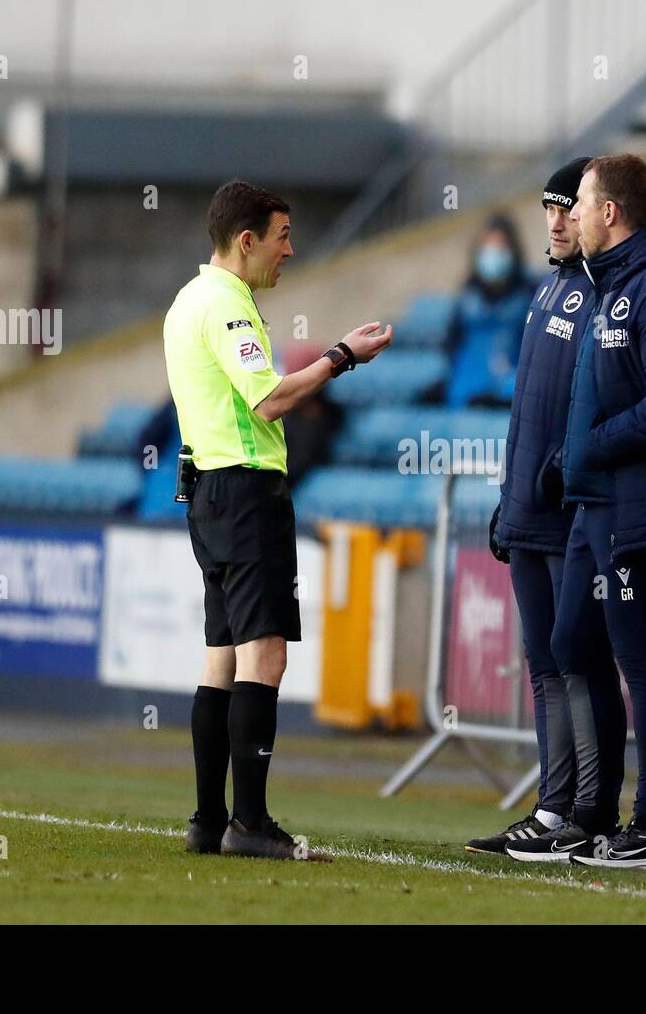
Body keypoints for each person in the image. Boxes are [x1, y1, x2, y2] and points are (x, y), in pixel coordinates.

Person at [163, 179, 392, 860]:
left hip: (205, 491)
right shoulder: (229, 307)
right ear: (247, 240)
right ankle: (251, 823)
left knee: (222, 658)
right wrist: (340, 358)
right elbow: (266, 400)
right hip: (244, 493)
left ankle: (208, 820)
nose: (289, 251)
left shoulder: (186, 300)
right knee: (265, 653)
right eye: (283, 236)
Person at [504, 154, 646, 867]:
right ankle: (591, 815)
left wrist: (591, 444)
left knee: (642, 663)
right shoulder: (604, 285)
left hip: (631, 506)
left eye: (579, 203)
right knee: (570, 647)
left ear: (609, 212)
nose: (569, 217)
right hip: (592, 503)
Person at [465, 157, 601, 855]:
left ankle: (584, 811)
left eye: (568, 208)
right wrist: (508, 498)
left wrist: (556, 480)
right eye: (548, 208)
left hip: (568, 515)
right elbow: (527, 410)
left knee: (572, 661)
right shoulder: (546, 290)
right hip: (525, 512)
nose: (554, 221)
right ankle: (552, 810)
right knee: (543, 665)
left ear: (598, 213)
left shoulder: (607, 294)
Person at [441, 214, 536, 408]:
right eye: (487, 246)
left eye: (500, 246)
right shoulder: (467, 297)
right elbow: (451, 346)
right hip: (464, 396)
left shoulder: (531, 295)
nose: (493, 253)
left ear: (513, 250)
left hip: (510, 398)